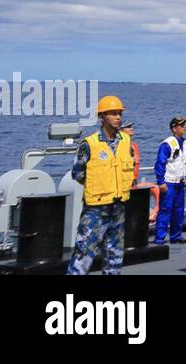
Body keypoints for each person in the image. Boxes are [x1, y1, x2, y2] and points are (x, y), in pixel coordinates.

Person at [67, 95, 136, 275]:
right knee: (84, 254)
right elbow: (78, 173)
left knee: (115, 255)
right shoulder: (89, 144)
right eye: (113, 113)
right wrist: (100, 184)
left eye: (119, 113)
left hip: (118, 207)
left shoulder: (126, 141)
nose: (118, 117)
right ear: (102, 116)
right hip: (95, 209)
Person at [154, 115, 186, 245]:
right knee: (165, 210)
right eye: (182, 126)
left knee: (178, 211)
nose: (184, 127)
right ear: (174, 128)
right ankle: (159, 238)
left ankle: (176, 236)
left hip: (180, 183)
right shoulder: (167, 144)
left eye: (184, 125)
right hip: (169, 183)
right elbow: (160, 163)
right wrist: (161, 182)